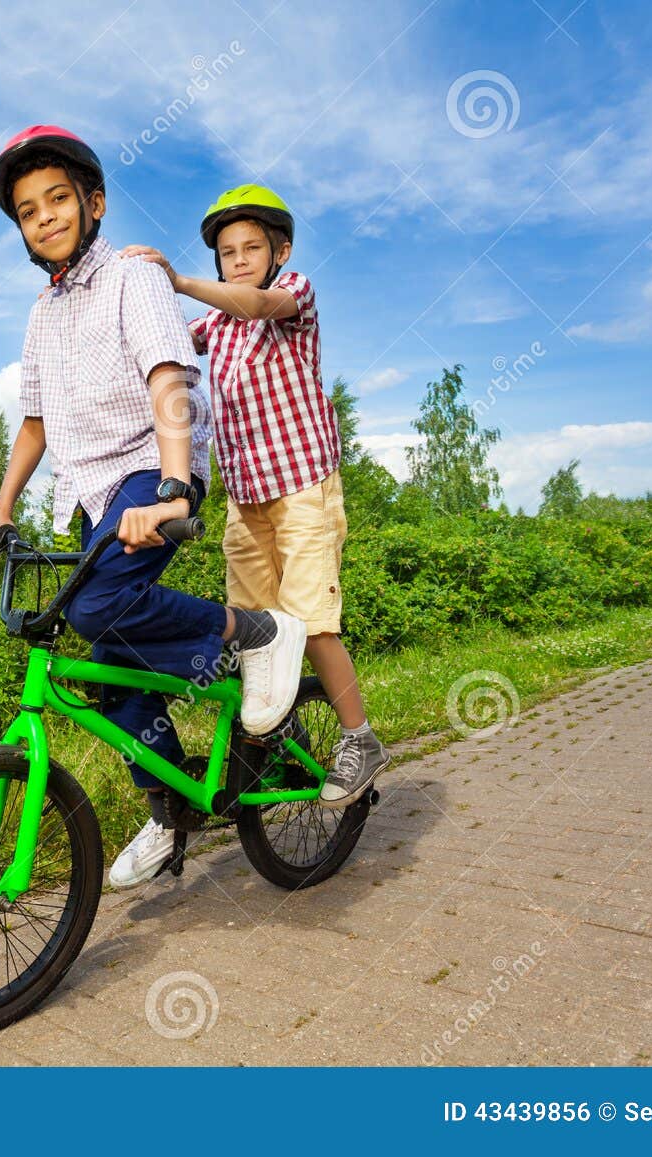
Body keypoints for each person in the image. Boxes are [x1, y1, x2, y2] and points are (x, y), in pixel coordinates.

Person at [0, 128, 306, 887]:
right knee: (106, 664)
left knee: (96, 606)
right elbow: (34, 424)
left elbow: (169, 378)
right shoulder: (40, 316)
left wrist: (177, 487)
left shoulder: (132, 277)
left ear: (93, 203)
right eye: (28, 211)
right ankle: (170, 807)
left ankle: (257, 633)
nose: (46, 217)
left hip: (151, 466)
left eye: (59, 199)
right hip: (90, 493)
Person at [121, 184, 388, 806]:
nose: (237, 259)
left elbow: (255, 304)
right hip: (247, 499)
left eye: (250, 248)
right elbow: (159, 341)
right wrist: (127, 291)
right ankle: (283, 738)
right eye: (227, 251)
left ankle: (360, 738)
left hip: (302, 488)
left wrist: (179, 279)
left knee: (311, 624)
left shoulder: (293, 294)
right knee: (252, 634)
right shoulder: (214, 324)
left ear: (280, 251)